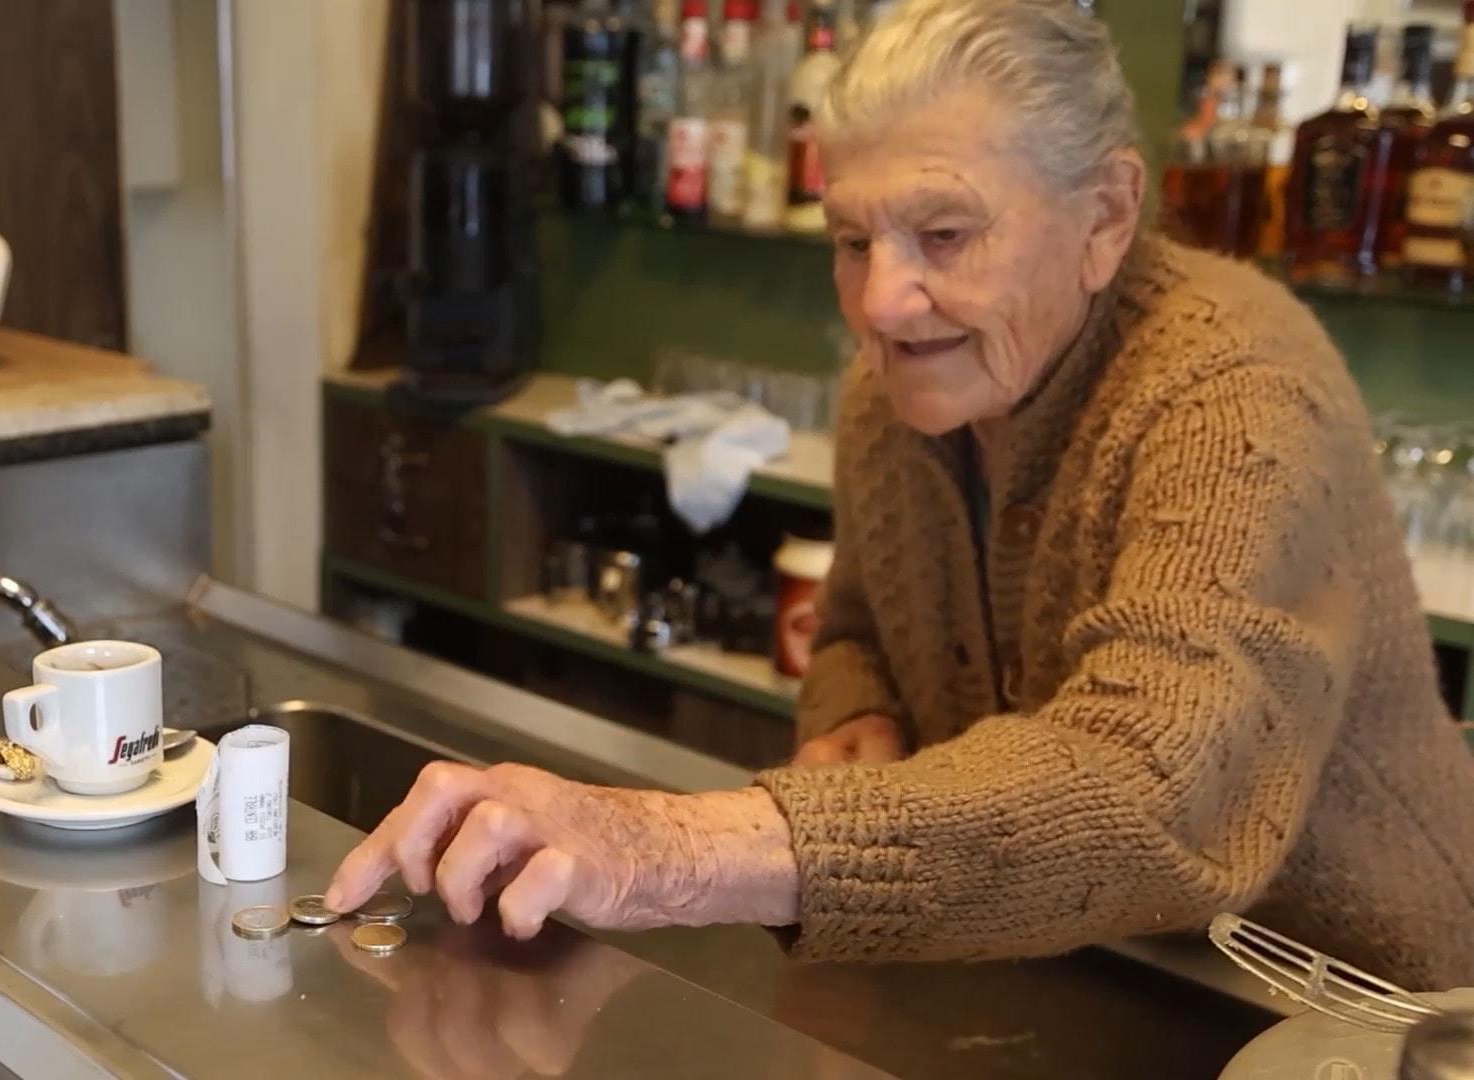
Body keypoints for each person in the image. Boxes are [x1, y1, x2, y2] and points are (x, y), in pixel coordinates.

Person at [328, 0, 1474, 989]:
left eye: (944, 232)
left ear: (1107, 219)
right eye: (850, 238)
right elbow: (857, 633)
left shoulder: (1237, 393)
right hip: (1077, 966)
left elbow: (1151, 784)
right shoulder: (898, 392)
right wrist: (852, 716)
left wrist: (672, 848)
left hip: (1343, 1000)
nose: (881, 302)